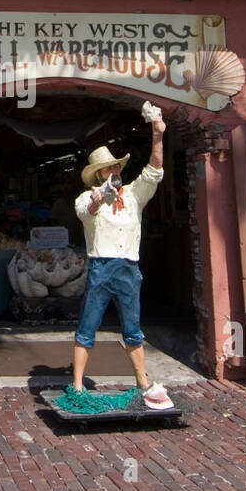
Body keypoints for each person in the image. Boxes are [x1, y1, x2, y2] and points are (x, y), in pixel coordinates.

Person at [71, 112, 173, 409]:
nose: (112, 170)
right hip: (101, 266)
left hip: (128, 267)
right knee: (87, 327)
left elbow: (154, 171)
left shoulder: (133, 194)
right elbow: (87, 210)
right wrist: (100, 196)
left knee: (133, 328)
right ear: (98, 174)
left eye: (115, 166)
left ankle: (142, 383)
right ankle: (77, 384)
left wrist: (158, 133)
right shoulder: (85, 196)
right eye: (106, 169)